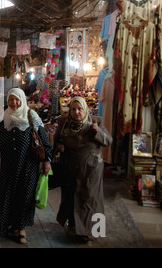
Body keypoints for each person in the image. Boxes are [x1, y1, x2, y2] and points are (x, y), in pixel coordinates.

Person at [0, 87, 52, 244]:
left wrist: (47, 160)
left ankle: (20, 228)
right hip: (8, 166)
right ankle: (8, 226)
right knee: (7, 195)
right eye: (11, 100)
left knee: (23, 196)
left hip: (28, 167)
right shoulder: (3, 118)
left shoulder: (31, 116)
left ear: (22, 100)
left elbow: (43, 140)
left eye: (17, 99)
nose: (14, 103)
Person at [53, 96, 112, 242]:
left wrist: (97, 131)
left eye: (80, 109)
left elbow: (108, 141)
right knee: (73, 196)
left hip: (91, 168)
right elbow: (57, 139)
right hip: (71, 167)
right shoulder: (64, 123)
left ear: (85, 109)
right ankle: (75, 225)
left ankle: (90, 230)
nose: (77, 112)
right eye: (73, 109)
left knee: (90, 198)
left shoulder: (95, 122)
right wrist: (59, 146)